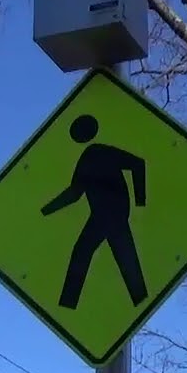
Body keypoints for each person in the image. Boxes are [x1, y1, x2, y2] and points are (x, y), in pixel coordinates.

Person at [41, 114, 148, 310]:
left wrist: (141, 201)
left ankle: (68, 303)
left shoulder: (98, 152)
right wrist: (45, 211)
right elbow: (74, 193)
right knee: (116, 255)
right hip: (103, 215)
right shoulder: (88, 157)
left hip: (111, 213)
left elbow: (138, 164)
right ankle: (139, 299)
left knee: (93, 252)